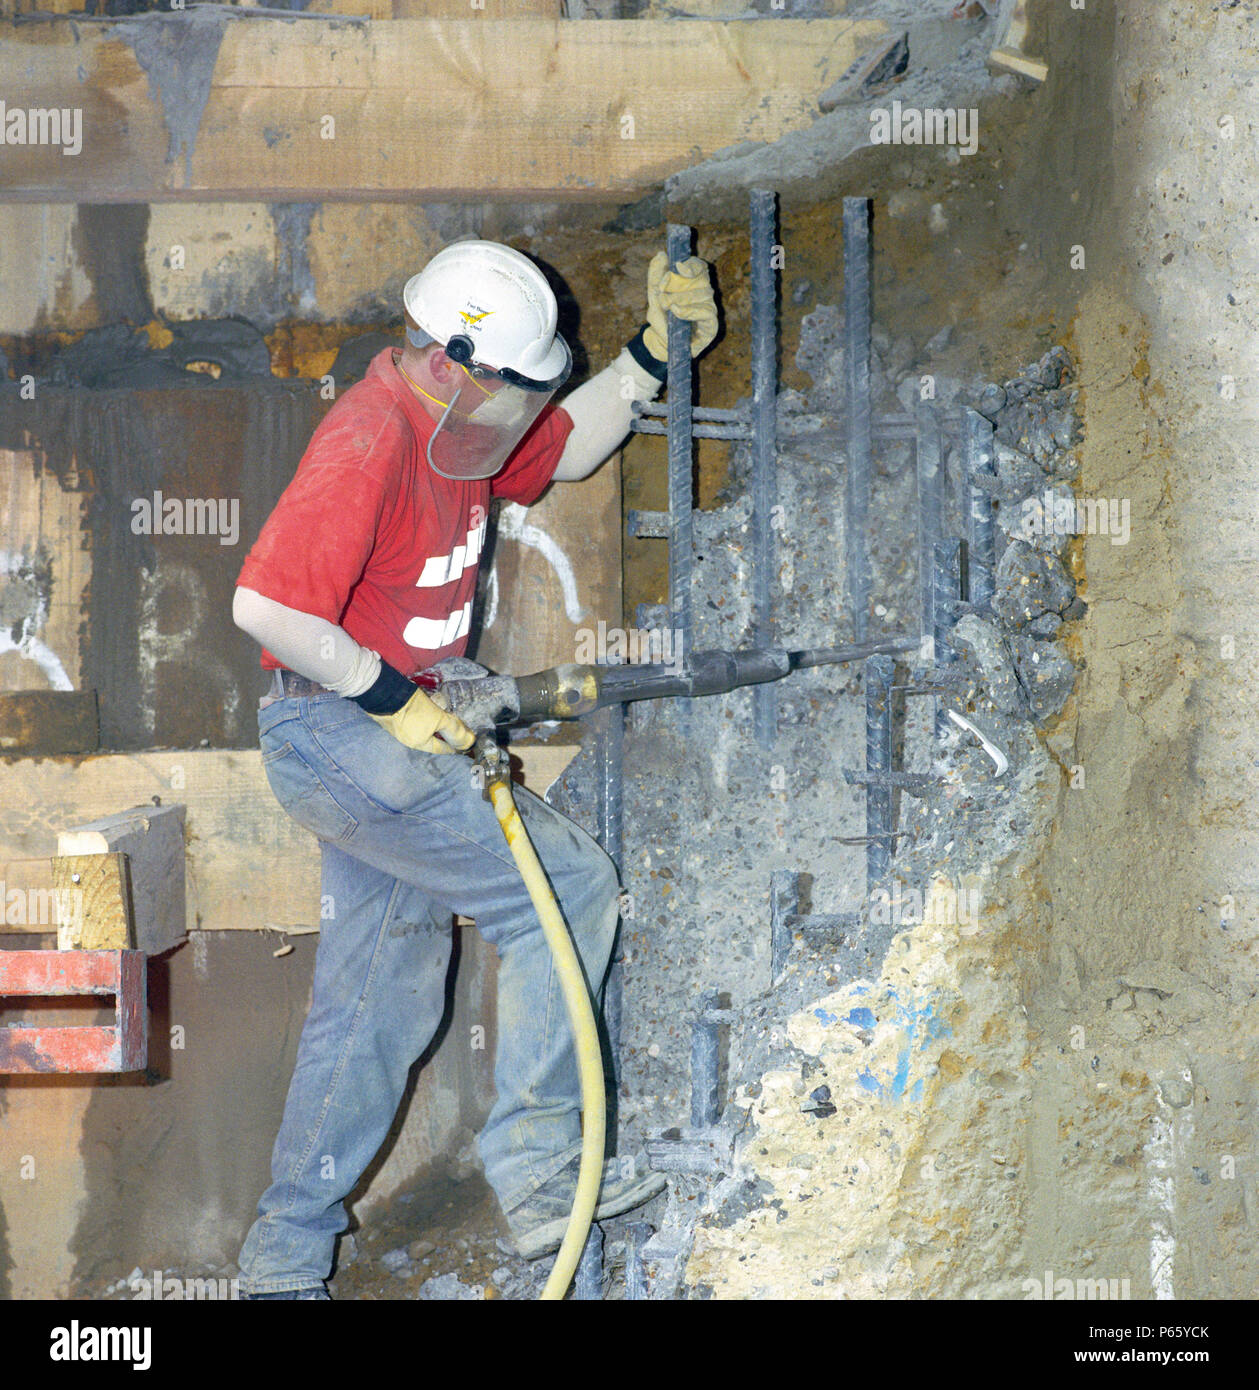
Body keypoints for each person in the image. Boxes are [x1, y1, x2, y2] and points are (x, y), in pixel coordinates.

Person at [231, 238, 718, 1298]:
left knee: (377, 1000)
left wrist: (646, 356)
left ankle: (279, 1264)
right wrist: (394, 701)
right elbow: (266, 606)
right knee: (568, 888)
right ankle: (544, 1175)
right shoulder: (369, 436)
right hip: (341, 732)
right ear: (451, 360)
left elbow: (566, 449)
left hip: (367, 743)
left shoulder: (465, 422)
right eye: (512, 385)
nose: (517, 411)